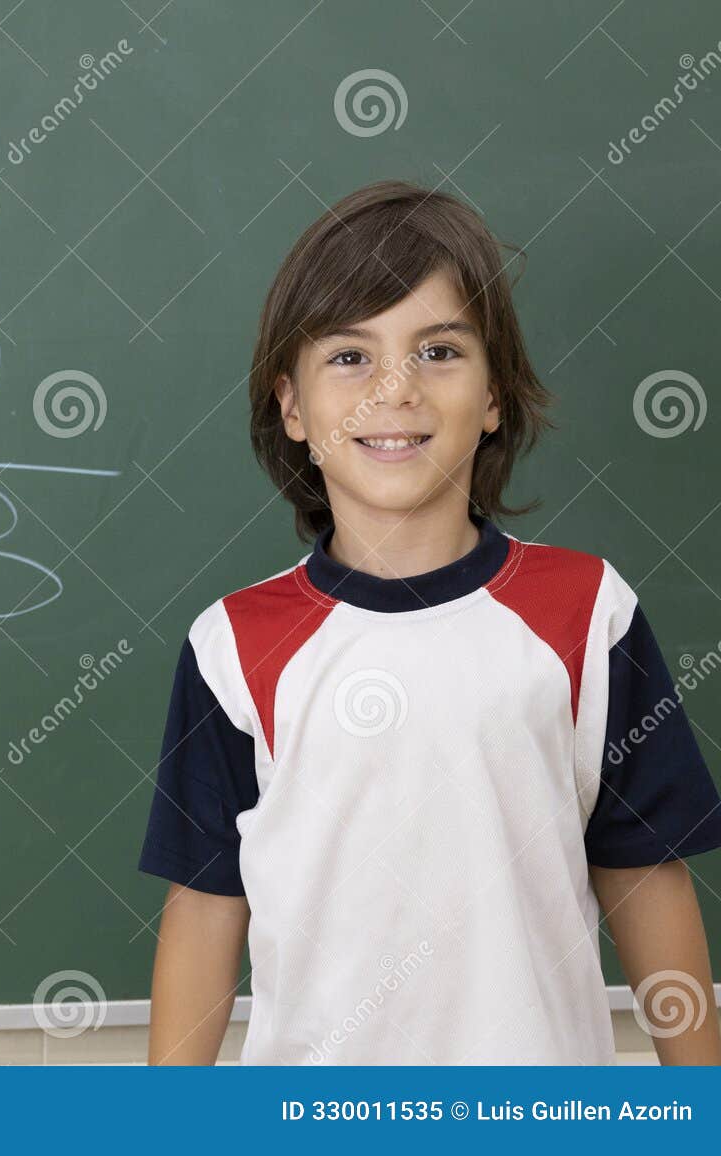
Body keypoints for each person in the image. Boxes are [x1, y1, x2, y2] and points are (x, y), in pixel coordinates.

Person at [139, 179, 721, 1065]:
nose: (396, 390)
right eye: (350, 356)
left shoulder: (588, 611)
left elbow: (645, 876)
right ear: (291, 407)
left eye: (440, 350)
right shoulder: (234, 642)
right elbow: (205, 903)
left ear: (494, 396)